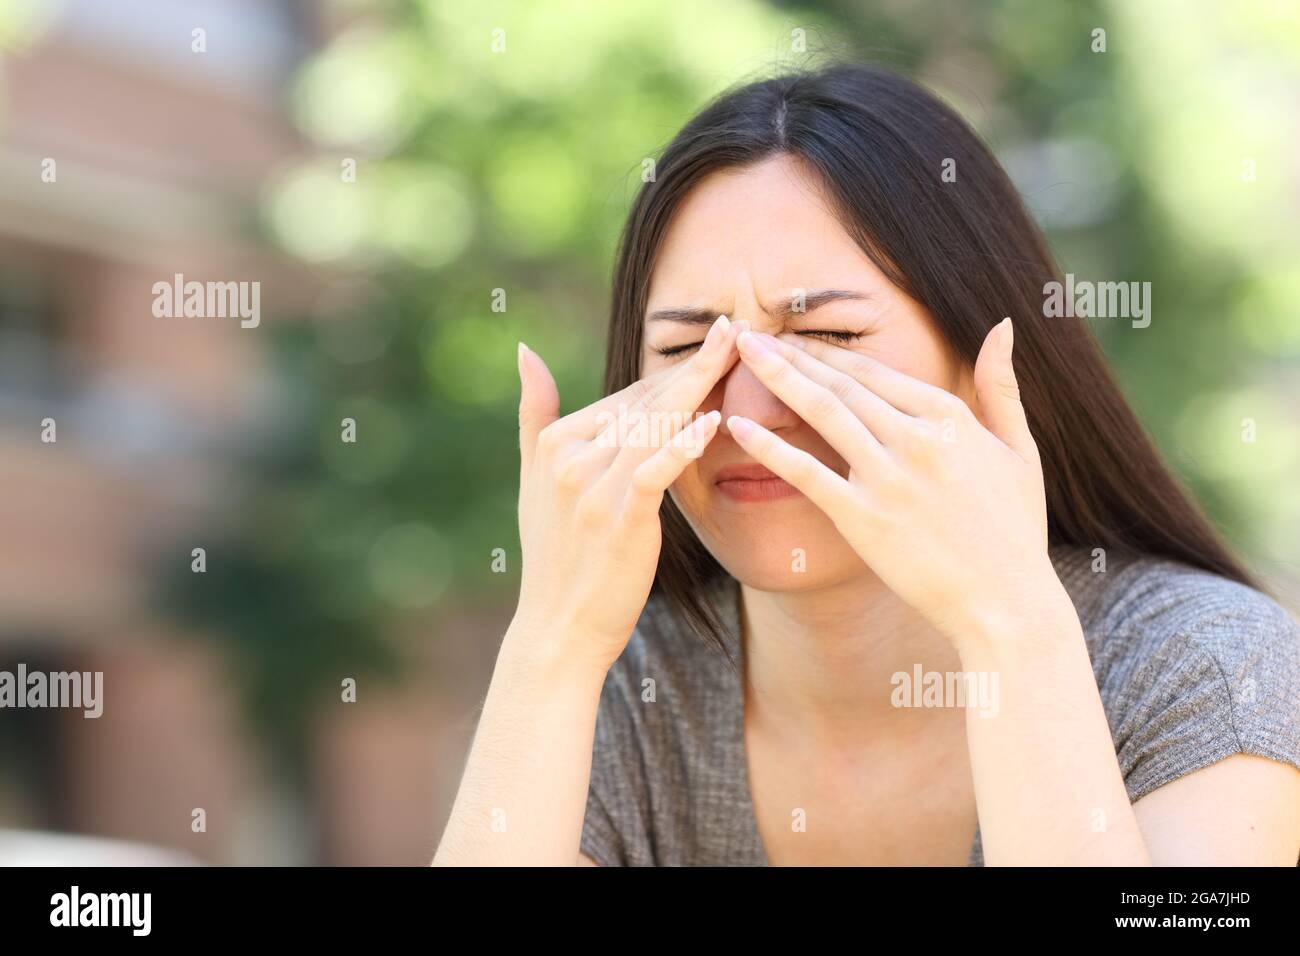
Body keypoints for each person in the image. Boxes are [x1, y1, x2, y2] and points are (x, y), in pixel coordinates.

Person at [432, 63, 1300, 866]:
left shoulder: (1208, 669)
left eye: (827, 338)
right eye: (689, 346)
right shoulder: (625, 699)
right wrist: (551, 643)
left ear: (983, 361)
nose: (744, 410)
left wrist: (1009, 627)